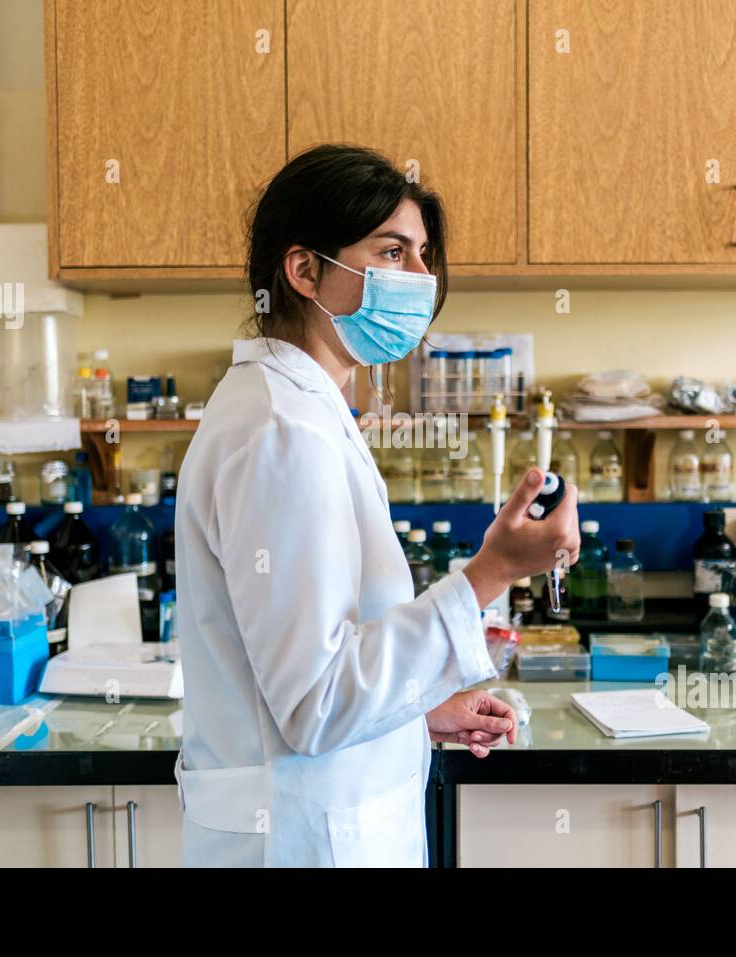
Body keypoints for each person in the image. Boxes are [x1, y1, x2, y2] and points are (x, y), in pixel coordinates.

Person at [173, 145, 580, 867]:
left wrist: (415, 715)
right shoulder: (281, 430)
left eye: (424, 255)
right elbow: (316, 703)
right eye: (392, 252)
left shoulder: (304, 408)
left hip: (319, 821)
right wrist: (492, 572)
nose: (422, 279)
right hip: (303, 843)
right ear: (304, 271)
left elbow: (315, 675)